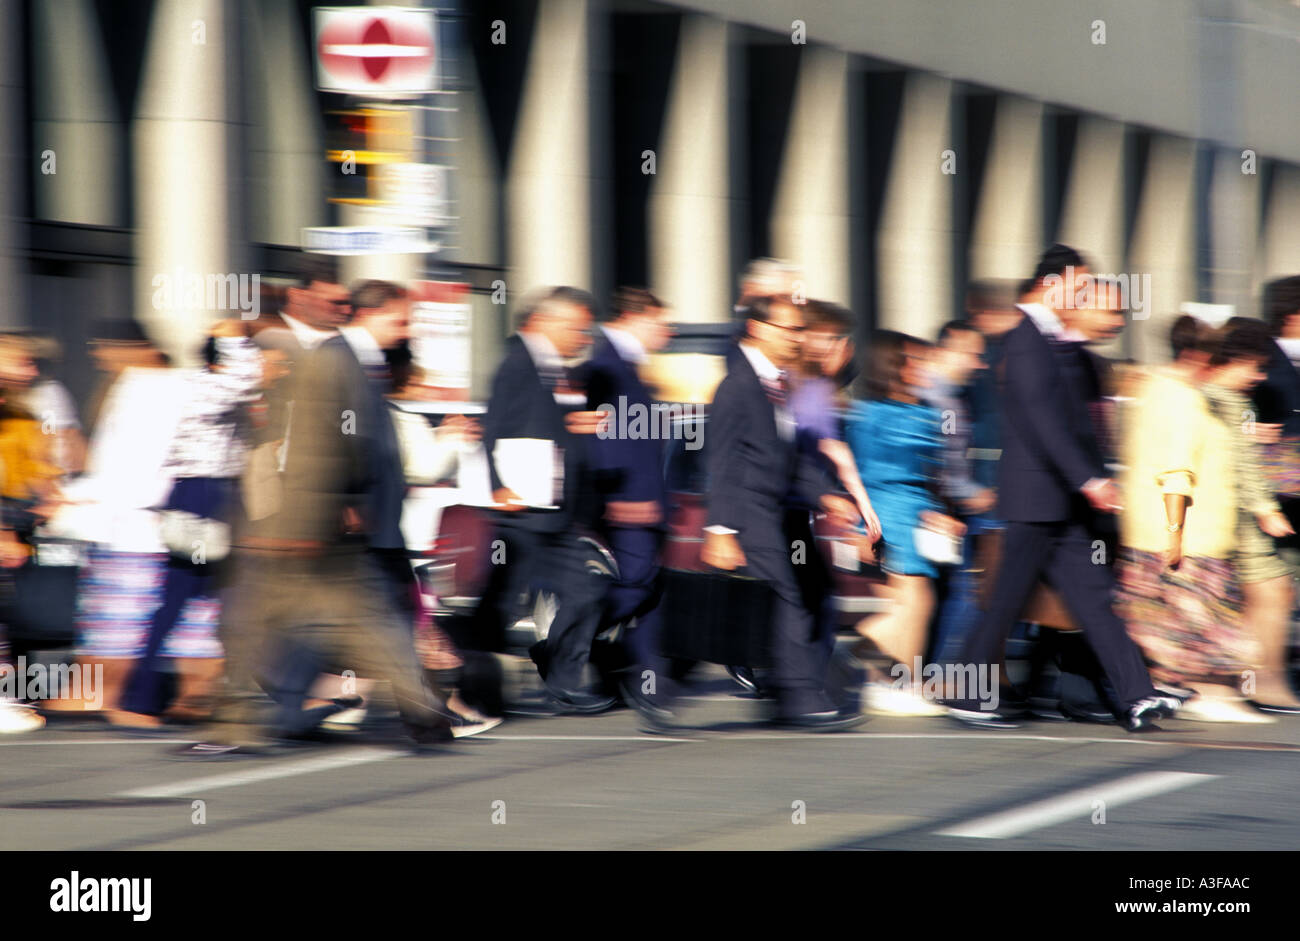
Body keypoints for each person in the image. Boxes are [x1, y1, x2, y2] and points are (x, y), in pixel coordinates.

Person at [184, 280, 484, 756]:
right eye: (399, 319)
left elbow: (339, 446)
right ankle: (414, 709)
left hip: (325, 527)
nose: (407, 331)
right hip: (319, 524)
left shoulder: (342, 363)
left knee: (325, 622)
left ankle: (275, 716)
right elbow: (322, 446)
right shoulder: (326, 360)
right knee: (335, 622)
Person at [948, 244, 1176, 731]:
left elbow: (1072, 419)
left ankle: (1138, 696)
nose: (1086, 295)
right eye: (1081, 286)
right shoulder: (1025, 338)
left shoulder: (1053, 339)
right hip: (1034, 500)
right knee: (1006, 600)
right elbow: (1043, 421)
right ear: (1053, 285)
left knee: (1095, 600)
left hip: (1061, 504)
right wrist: (1090, 480)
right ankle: (967, 692)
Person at [701, 294, 864, 730]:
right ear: (759, 328)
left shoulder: (779, 384)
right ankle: (798, 697)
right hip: (746, 510)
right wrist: (719, 528)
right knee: (787, 598)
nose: (798, 338)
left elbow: (791, 460)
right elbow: (723, 462)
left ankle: (668, 680)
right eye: (790, 329)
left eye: (799, 329)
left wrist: (826, 495)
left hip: (771, 509)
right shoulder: (738, 386)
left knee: (774, 602)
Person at [1118, 318, 1277, 723]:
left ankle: (1185, 692)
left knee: (1180, 628)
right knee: (1203, 629)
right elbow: (1175, 472)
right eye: (1215, 360)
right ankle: (1211, 698)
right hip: (1188, 535)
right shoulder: (1180, 399)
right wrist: (1175, 538)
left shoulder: (1159, 390)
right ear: (1198, 357)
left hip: (1184, 533)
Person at [477, 287, 614, 714]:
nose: (584, 337)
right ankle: (466, 686)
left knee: (587, 587)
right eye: (577, 328)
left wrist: (573, 426)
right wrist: (498, 485)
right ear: (546, 322)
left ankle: (563, 682)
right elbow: (492, 427)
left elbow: (536, 428)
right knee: (498, 606)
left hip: (551, 513)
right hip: (522, 513)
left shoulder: (546, 365)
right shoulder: (518, 361)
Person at [845, 331, 963, 716]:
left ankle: (882, 674)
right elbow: (857, 474)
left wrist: (939, 510)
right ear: (891, 366)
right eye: (913, 360)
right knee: (915, 601)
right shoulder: (870, 416)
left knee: (913, 602)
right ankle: (885, 671)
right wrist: (862, 528)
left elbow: (933, 473)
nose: (922, 367)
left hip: (918, 511)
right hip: (886, 510)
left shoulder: (925, 412)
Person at [578, 288, 675, 716]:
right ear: (635, 317)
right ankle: (565, 642)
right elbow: (598, 436)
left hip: (647, 501)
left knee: (650, 593)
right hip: (627, 502)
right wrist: (616, 498)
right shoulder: (605, 364)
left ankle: (645, 687)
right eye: (661, 321)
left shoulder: (632, 367)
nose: (667, 331)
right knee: (634, 588)